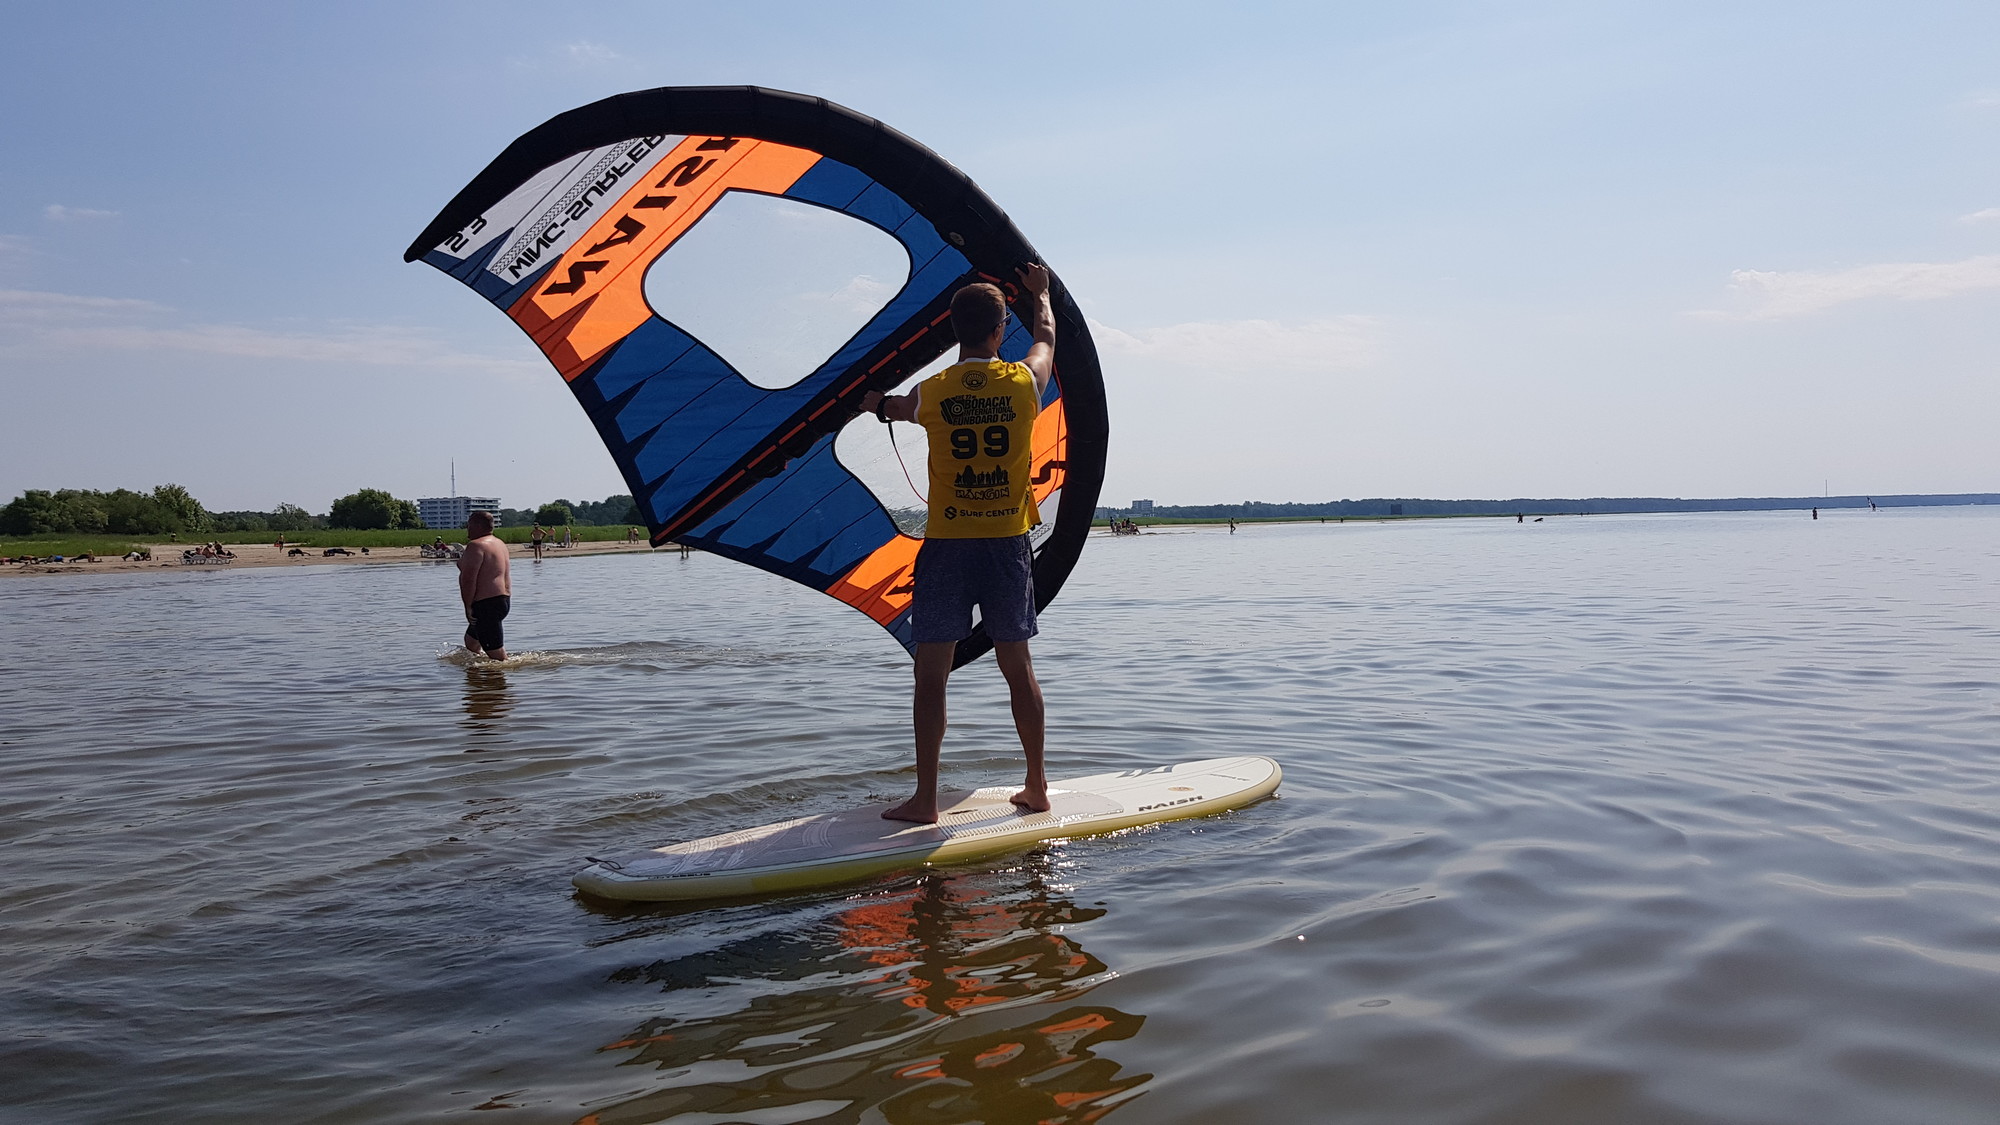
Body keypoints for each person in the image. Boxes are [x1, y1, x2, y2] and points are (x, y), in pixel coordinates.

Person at [860, 264, 1056, 824]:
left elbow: (892, 407)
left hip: (947, 545)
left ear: (954, 331)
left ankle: (926, 800)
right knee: (1017, 667)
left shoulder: (935, 392)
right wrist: (1040, 296)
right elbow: (1045, 338)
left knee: (931, 674)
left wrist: (873, 402)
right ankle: (1036, 785)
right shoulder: (1024, 383)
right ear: (998, 332)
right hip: (1005, 545)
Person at [458, 510, 512, 661]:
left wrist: (467, 606)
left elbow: (468, 580)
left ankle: (498, 682)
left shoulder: (476, 546)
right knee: (471, 643)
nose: (467, 529)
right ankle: (479, 678)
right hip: (502, 601)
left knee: (498, 658)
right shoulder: (498, 543)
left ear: (477, 525)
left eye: (469, 525)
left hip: (486, 604)